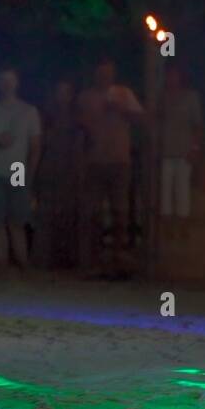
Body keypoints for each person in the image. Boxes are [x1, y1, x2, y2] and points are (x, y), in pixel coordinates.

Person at [77, 58, 144, 269]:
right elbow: (78, 126)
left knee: (120, 210)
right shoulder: (86, 97)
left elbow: (141, 119)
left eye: (108, 72)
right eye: (101, 72)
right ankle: (92, 258)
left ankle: (118, 256)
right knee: (92, 211)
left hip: (119, 161)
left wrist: (120, 109)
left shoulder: (124, 94)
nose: (105, 76)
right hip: (94, 161)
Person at [0, 67, 42, 276]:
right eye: (2, 80)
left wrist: (29, 175)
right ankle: (2, 264)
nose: (6, 84)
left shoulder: (29, 111)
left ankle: (23, 263)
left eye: (10, 80)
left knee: (18, 220)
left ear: (17, 82)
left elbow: (35, 146)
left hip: (16, 168)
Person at [33, 79, 84, 269]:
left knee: (68, 216)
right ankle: (42, 260)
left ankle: (66, 260)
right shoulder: (45, 117)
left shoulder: (76, 118)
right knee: (45, 216)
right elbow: (39, 144)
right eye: (60, 91)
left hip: (68, 172)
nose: (63, 96)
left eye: (66, 92)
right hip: (49, 170)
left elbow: (79, 147)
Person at [157, 66, 202, 241]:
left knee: (182, 191)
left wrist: (194, 148)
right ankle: (167, 228)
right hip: (166, 151)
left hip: (183, 151)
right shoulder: (162, 98)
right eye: (170, 76)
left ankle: (182, 227)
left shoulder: (191, 97)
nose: (172, 80)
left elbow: (197, 125)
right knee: (165, 192)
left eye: (175, 76)